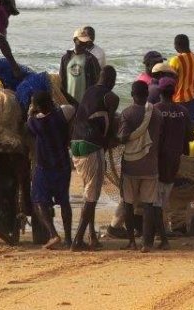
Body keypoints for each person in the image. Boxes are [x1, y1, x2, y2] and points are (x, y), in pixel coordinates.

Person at [67, 66, 118, 251]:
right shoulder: (112, 97)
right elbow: (110, 127)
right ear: (112, 81)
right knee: (91, 196)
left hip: (75, 144)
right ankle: (78, 240)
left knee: (90, 192)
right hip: (92, 145)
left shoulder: (89, 91)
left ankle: (92, 237)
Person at [117, 80, 163, 252]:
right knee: (149, 205)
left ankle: (132, 242)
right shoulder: (156, 114)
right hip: (151, 166)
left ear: (132, 95)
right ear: (147, 94)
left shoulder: (127, 113)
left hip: (131, 165)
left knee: (129, 204)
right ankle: (147, 243)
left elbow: (122, 138)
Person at [152, 77, 194, 249]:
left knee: (155, 201)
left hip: (156, 162)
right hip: (174, 162)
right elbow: (190, 136)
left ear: (159, 92)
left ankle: (160, 235)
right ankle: (162, 231)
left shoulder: (154, 110)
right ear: (175, 92)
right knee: (163, 199)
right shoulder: (183, 111)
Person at [27, 91, 72, 249]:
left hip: (44, 166)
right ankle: (68, 239)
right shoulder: (62, 116)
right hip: (63, 165)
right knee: (64, 202)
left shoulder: (36, 123)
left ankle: (53, 234)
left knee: (39, 201)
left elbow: (28, 126)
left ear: (38, 107)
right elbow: (72, 108)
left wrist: (32, 112)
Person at [60, 26, 102, 105]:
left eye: (86, 42)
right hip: (69, 101)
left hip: (86, 102)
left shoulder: (91, 59)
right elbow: (62, 81)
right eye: (81, 41)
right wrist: (65, 99)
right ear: (75, 40)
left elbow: (97, 81)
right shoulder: (65, 58)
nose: (84, 44)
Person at [168, 34, 194, 128]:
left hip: (179, 99)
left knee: (177, 129)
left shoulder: (176, 60)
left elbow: (170, 80)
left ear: (178, 45)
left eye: (175, 45)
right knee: (191, 129)